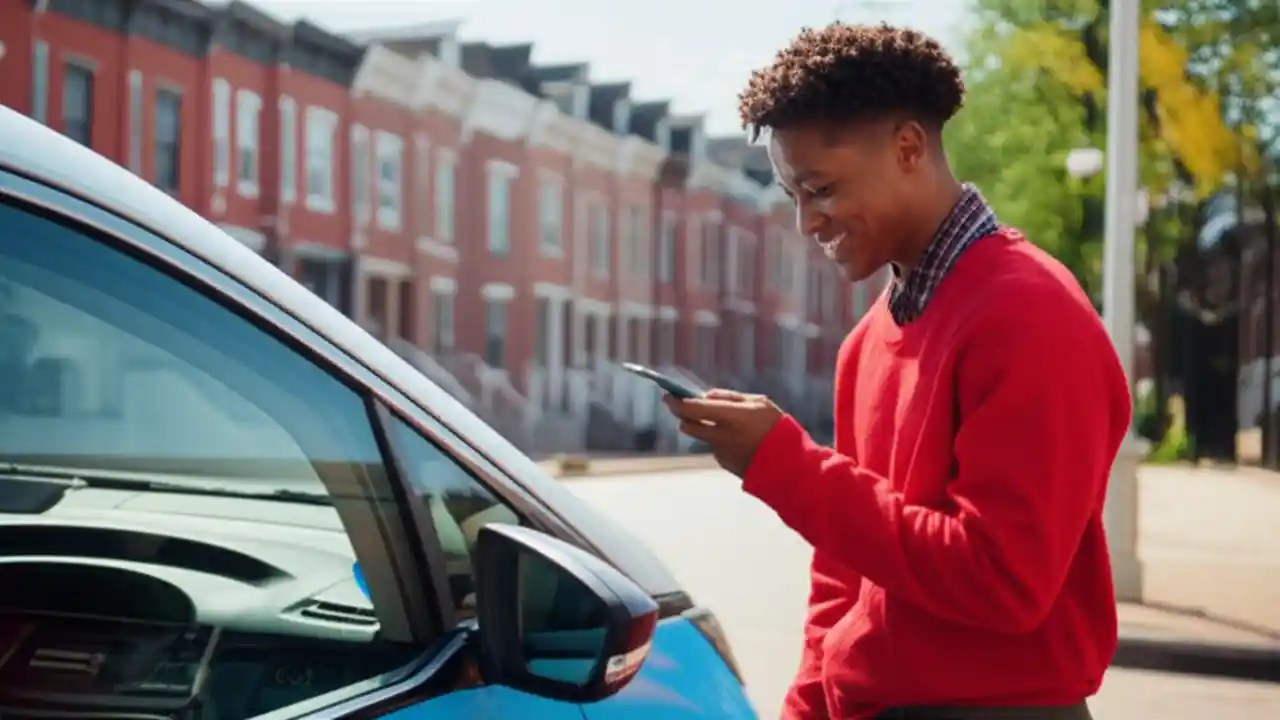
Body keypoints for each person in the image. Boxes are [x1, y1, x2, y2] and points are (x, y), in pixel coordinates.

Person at [663, 22, 1130, 720]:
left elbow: (1004, 581)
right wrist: (806, 710)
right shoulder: (867, 342)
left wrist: (787, 466)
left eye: (819, 189)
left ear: (908, 148)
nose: (806, 223)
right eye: (793, 195)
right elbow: (842, 580)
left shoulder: (1030, 313)